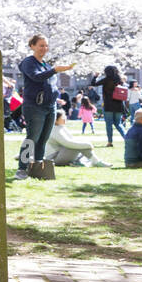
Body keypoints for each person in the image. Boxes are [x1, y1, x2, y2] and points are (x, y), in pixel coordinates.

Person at [14, 34, 74, 180]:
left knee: (43, 139)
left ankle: (39, 167)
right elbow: (36, 77)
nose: (44, 48)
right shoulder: (29, 62)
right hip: (34, 107)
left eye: (46, 46)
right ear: (32, 46)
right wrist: (55, 70)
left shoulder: (45, 64)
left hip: (50, 106)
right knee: (32, 137)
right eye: (41, 45)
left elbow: (49, 85)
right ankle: (21, 169)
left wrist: (56, 99)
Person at [45, 111, 109, 167]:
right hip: (54, 158)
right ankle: (96, 162)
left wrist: (85, 143)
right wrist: (88, 145)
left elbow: (72, 140)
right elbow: (68, 143)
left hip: (60, 154)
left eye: (65, 116)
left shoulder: (60, 127)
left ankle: (93, 162)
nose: (65, 118)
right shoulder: (54, 129)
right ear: (55, 120)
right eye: (62, 117)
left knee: (80, 145)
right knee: (78, 146)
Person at [89, 65, 128, 146]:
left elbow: (93, 84)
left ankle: (110, 142)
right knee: (118, 124)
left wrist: (95, 76)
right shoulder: (119, 80)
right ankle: (127, 139)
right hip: (119, 104)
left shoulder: (106, 80)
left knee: (109, 124)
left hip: (108, 105)